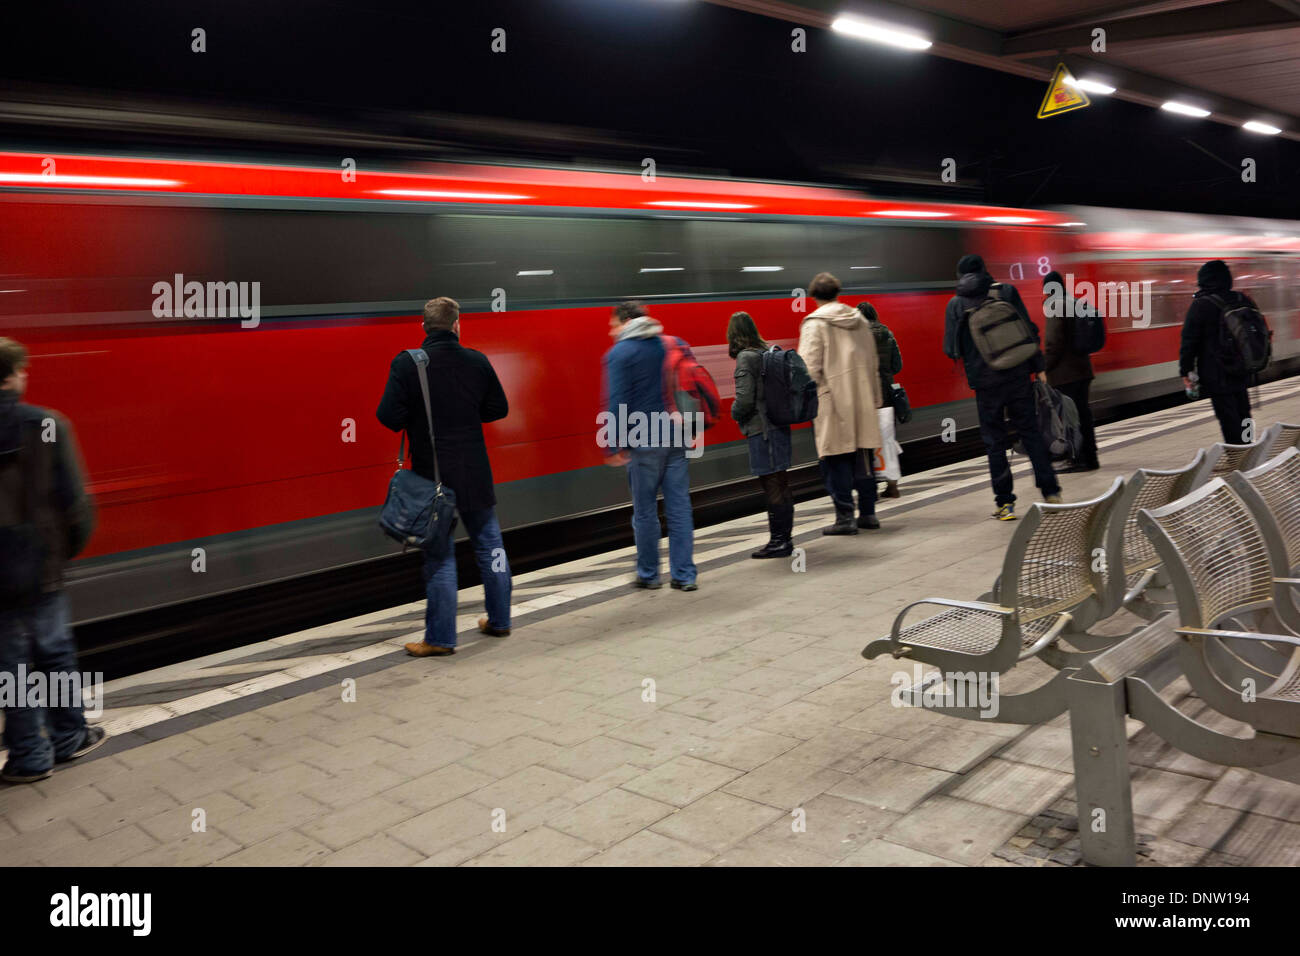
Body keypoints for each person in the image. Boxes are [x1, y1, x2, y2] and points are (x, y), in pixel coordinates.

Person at [377, 297, 511, 657]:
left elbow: (388, 416)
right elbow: (498, 408)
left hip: (432, 477)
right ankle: (499, 620)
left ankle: (440, 638)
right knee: (490, 546)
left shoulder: (407, 364)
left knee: (439, 556)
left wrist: (419, 417)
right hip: (475, 472)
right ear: (457, 325)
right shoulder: (477, 361)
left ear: (423, 327)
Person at [0, 337, 102, 783]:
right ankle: (68, 737)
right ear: (12, 375)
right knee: (55, 654)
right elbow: (75, 506)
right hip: (42, 566)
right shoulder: (47, 424)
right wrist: (64, 550)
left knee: (11, 667)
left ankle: (29, 758)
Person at [943, 254, 1061, 520]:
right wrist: (1038, 366)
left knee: (995, 442)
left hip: (985, 385)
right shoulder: (1006, 291)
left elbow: (950, 349)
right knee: (1031, 433)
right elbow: (1028, 330)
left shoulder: (955, 304)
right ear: (984, 271)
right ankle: (1051, 492)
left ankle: (1005, 504)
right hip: (1017, 375)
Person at [603, 300, 697, 590]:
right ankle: (684, 576)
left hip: (644, 441)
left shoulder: (620, 352)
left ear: (627, 321)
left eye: (614, 324)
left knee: (645, 511)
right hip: (676, 435)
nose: (611, 331)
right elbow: (690, 386)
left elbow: (617, 401)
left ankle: (649, 574)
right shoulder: (673, 343)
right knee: (679, 508)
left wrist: (613, 444)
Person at [798, 273, 882, 535]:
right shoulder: (860, 321)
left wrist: (805, 399)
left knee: (836, 461)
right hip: (861, 399)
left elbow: (808, 368)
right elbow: (873, 362)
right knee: (863, 458)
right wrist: (875, 398)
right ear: (837, 293)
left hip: (832, 401)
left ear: (814, 297)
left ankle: (845, 518)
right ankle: (868, 514)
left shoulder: (815, 324)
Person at [728, 311, 793, 558]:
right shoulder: (765, 352)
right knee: (781, 482)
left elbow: (744, 400)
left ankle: (779, 541)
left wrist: (734, 413)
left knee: (772, 485)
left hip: (762, 430)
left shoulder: (745, 358)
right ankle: (784, 539)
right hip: (778, 427)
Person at [1179, 260, 1256, 445]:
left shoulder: (1201, 305)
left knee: (1228, 417)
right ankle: (1250, 446)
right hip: (1242, 368)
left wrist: (1186, 371)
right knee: (1244, 411)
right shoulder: (1241, 299)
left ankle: (1238, 458)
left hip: (1216, 373)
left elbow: (1189, 342)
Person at [1042, 271, 1100, 472]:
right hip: (1083, 371)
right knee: (1083, 415)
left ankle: (1080, 460)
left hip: (1066, 375)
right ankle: (1090, 457)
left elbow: (1053, 343)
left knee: (1071, 419)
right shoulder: (1074, 302)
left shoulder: (1055, 305)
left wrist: (1044, 366)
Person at [858, 301, 903, 498]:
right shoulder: (887, 333)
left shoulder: (857, 337)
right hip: (886, 393)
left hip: (865, 394)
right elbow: (897, 365)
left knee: (866, 442)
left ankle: (871, 488)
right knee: (887, 439)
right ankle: (892, 486)